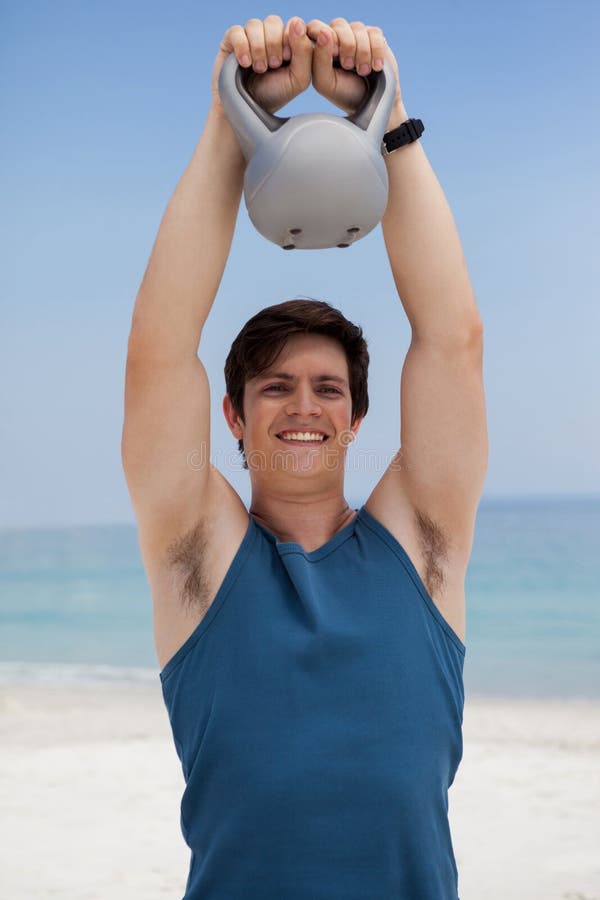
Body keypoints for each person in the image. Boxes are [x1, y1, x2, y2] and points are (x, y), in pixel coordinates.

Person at [121, 14, 487, 900]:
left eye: (328, 388)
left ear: (360, 418)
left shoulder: (422, 545)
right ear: (233, 420)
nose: (304, 407)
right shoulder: (196, 559)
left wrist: (391, 123)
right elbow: (160, 350)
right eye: (275, 388)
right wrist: (229, 124)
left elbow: (452, 341)